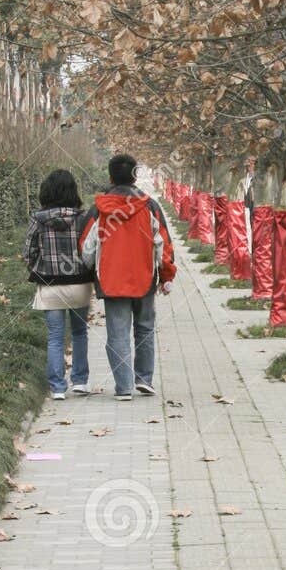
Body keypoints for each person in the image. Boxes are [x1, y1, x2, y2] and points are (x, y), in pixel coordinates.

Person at [79, 154, 176, 401]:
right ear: (135, 176)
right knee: (144, 329)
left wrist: (90, 270)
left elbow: (86, 247)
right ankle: (144, 379)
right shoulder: (149, 206)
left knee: (117, 333)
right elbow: (162, 244)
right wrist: (166, 275)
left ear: (110, 176)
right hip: (144, 278)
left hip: (111, 280)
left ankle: (123, 387)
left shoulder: (99, 209)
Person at [23, 169, 95, 400]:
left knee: (55, 337)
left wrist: (38, 268)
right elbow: (90, 250)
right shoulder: (83, 218)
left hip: (51, 285)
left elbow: (28, 252)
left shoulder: (38, 219)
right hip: (80, 284)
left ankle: (57, 387)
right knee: (79, 332)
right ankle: (81, 381)